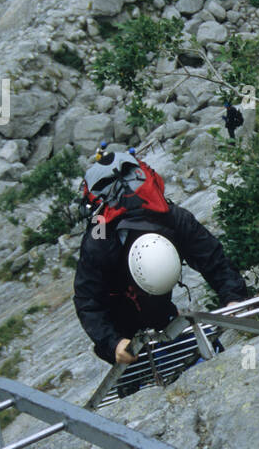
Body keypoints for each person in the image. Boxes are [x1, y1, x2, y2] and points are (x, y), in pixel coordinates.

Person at [73, 148, 249, 365]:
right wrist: (114, 344)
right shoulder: (99, 243)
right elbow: (88, 301)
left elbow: (213, 259)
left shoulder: (173, 220)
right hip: (122, 331)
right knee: (139, 378)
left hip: (162, 316)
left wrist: (234, 299)